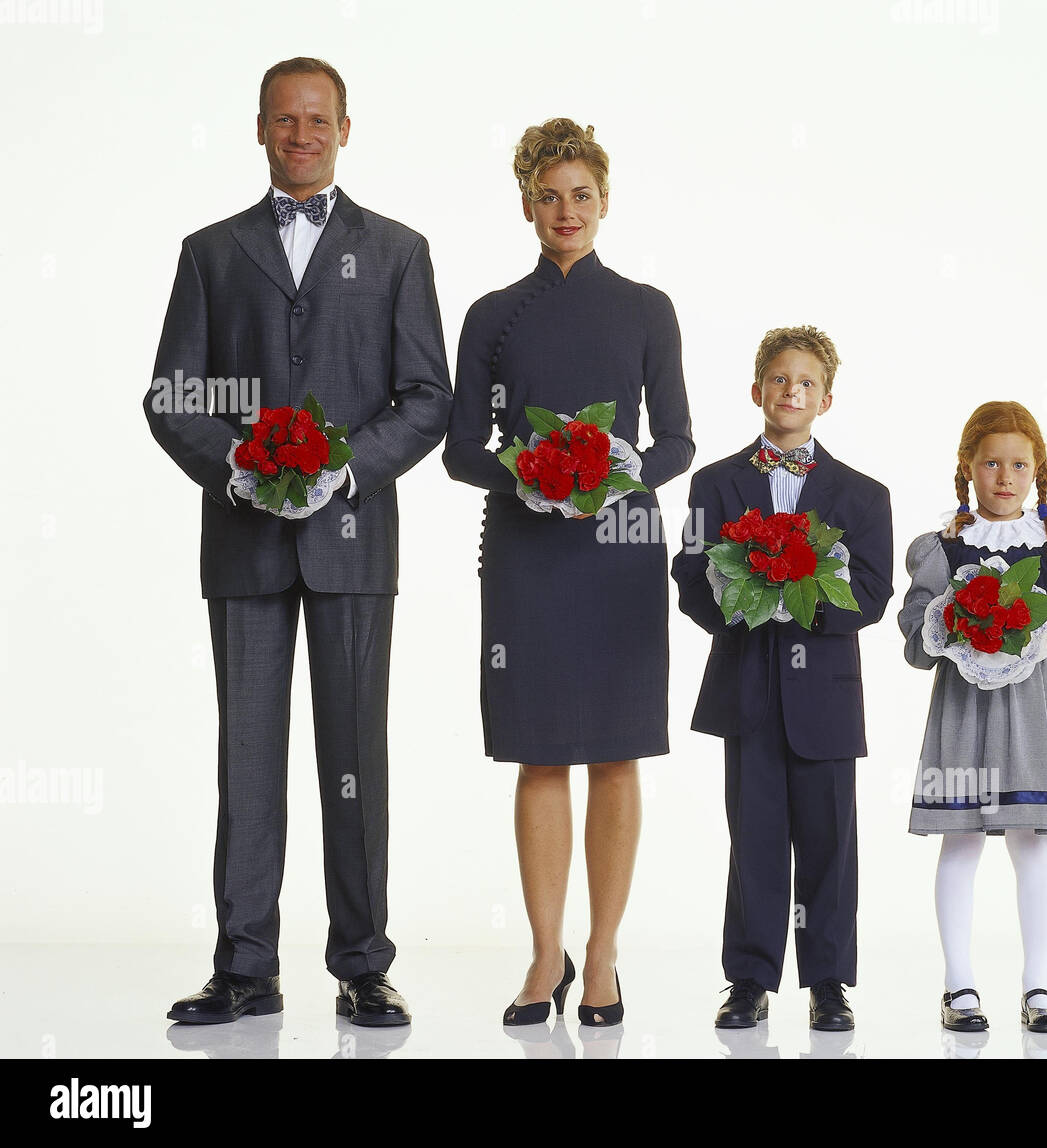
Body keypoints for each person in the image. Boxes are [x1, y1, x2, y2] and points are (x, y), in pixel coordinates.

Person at [145, 57, 452, 1027]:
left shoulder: (399, 252)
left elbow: (429, 395)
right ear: (261, 130)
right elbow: (172, 394)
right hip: (242, 541)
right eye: (285, 120)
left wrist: (345, 464)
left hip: (354, 540)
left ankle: (363, 964)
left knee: (354, 753)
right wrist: (237, 463)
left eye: (317, 119)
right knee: (248, 757)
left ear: (345, 129)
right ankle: (244, 967)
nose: (301, 134)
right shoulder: (210, 251)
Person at [443, 118, 694, 1027]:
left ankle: (603, 955)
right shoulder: (489, 315)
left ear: (604, 202)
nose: (566, 211)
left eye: (581, 195)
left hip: (620, 554)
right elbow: (461, 449)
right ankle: (544, 955)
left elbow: (679, 442)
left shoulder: (646, 307)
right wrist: (534, 472)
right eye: (549, 196)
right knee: (540, 751)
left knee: (618, 749)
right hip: (525, 555)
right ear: (525, 204)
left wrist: (608, 475)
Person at [670, 326, 893, 1031]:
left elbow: (876, 591)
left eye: (805, 382)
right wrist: (750, 601)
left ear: (826, 399)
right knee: (756, 838)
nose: (790, 390)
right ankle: (750, 979)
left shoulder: (863, 495)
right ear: (756, 389)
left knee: (830, 840)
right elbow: (690, 575)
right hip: (749, 688)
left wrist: (803, 592)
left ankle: (828, 982)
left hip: (825, 695)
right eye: (778, 379)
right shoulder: (715, 483)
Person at [897, 400, 1047, 1035]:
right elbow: (912, 632)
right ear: (968, 468)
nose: (1004, 477)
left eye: (1018, 464)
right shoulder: (942, 548)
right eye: (990, 463)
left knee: (1031, 843)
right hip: (963, 712)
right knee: (959, 842)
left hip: (1034, 714)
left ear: (1038, 470)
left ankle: (1039, 985)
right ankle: (959, 985)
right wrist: (947, 621)